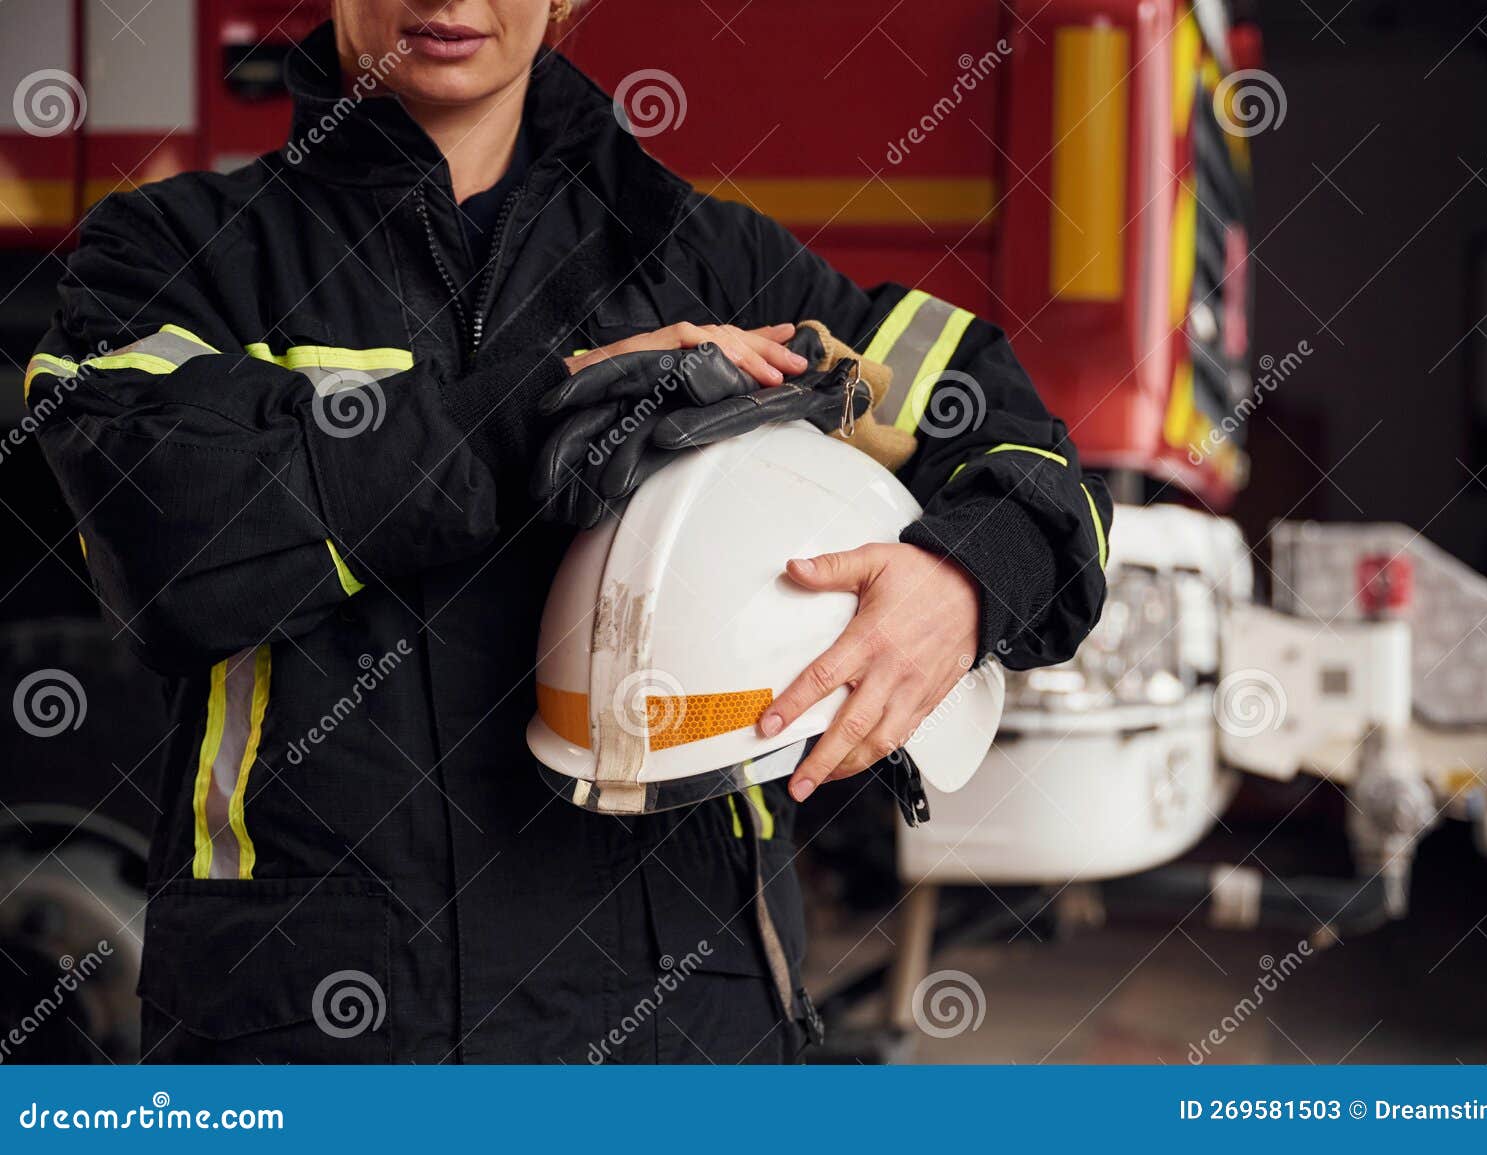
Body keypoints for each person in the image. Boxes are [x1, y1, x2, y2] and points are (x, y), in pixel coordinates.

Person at [27, 0, 1111, 1063]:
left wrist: (967, 580)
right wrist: (536, 418)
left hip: (682, 1033)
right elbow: (165, 537)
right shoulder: (174, 252)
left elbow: (1005, 422)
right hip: (325, 1034)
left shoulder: (709, 261)